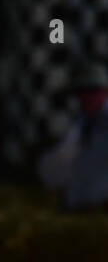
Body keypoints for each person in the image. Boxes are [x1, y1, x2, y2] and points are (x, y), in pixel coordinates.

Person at [37, 60, 108, 210]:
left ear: (104, 91)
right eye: (82, 92)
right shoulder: (83, 121)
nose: (86, 97)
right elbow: (65, 155)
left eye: (92, 91)